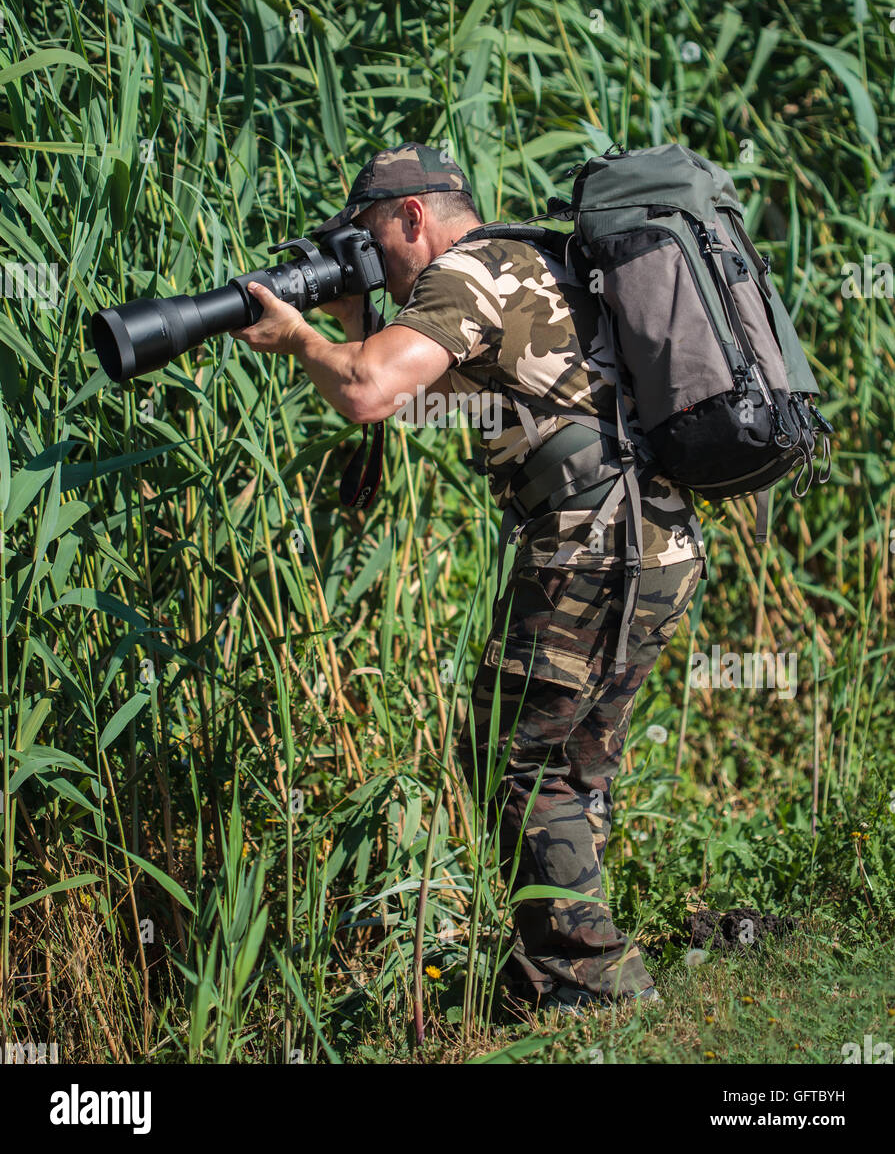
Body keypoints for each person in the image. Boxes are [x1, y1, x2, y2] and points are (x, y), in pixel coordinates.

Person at [230, 141, 706, 1014]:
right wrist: (347, 328)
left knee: (514, 756)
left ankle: (588, 982)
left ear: (413, 216)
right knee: (570, 758)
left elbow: (372, 392)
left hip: (590, 545)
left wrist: (299, 336)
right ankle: (560, 973)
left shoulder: (463, 272)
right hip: (655, 542)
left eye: (371, 241)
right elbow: (437, 398)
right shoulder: (532, 261)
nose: (375, 262)